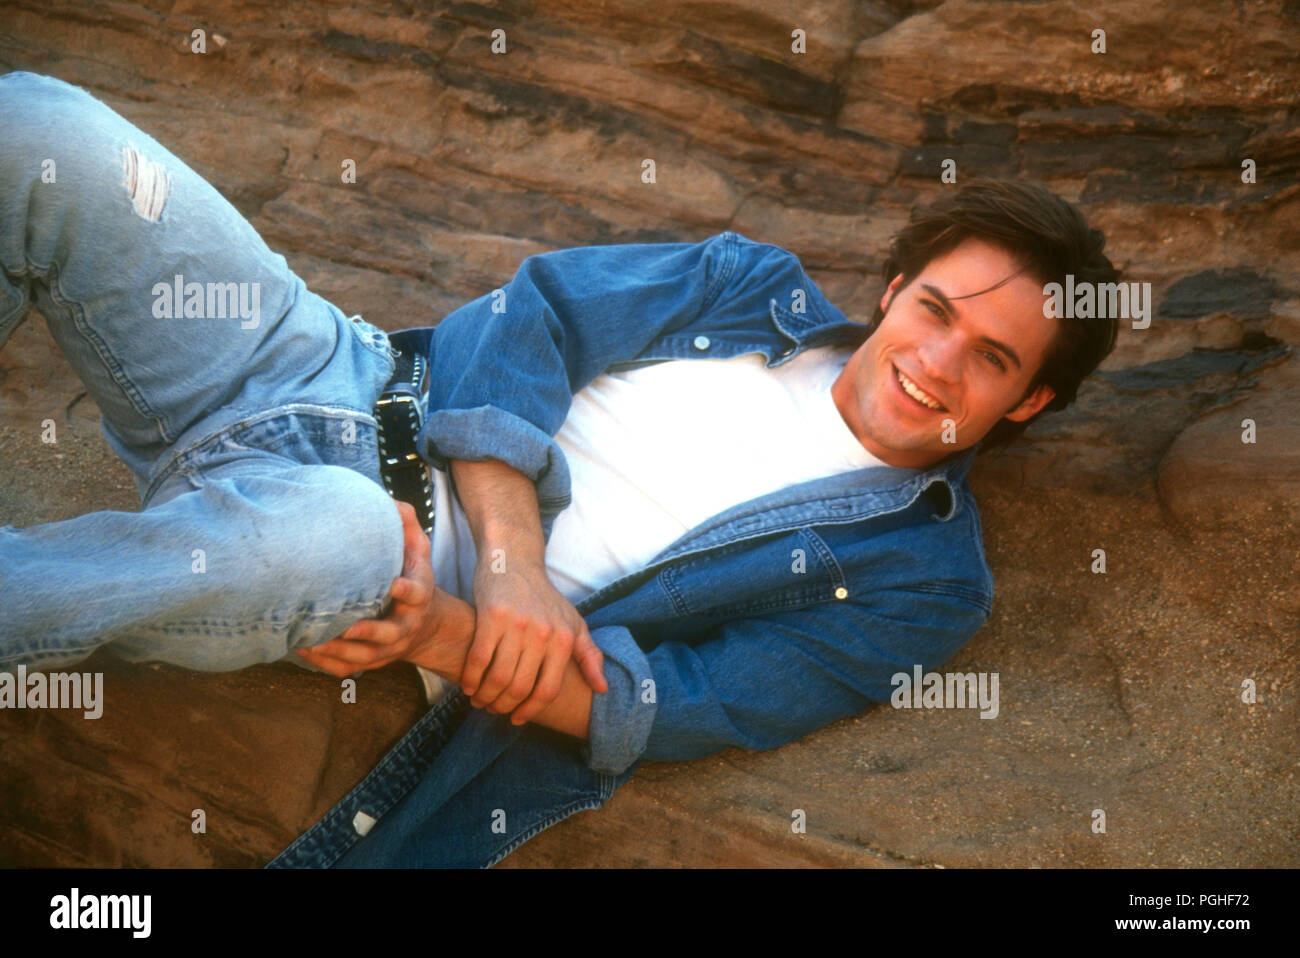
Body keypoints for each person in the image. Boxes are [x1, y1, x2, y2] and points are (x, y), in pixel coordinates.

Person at [0, 71, 1120, 868]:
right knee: (40, 129)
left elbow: (680, 706)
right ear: (893, 290)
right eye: (932, 309)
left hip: (365, 556)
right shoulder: (747, 287)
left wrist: (444, 627)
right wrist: (514, 562)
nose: (933, 362)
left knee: (333, 536)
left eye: (990, 359)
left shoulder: (919, 577)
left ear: (1024, 401)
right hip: (321, 365)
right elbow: (520, 319)